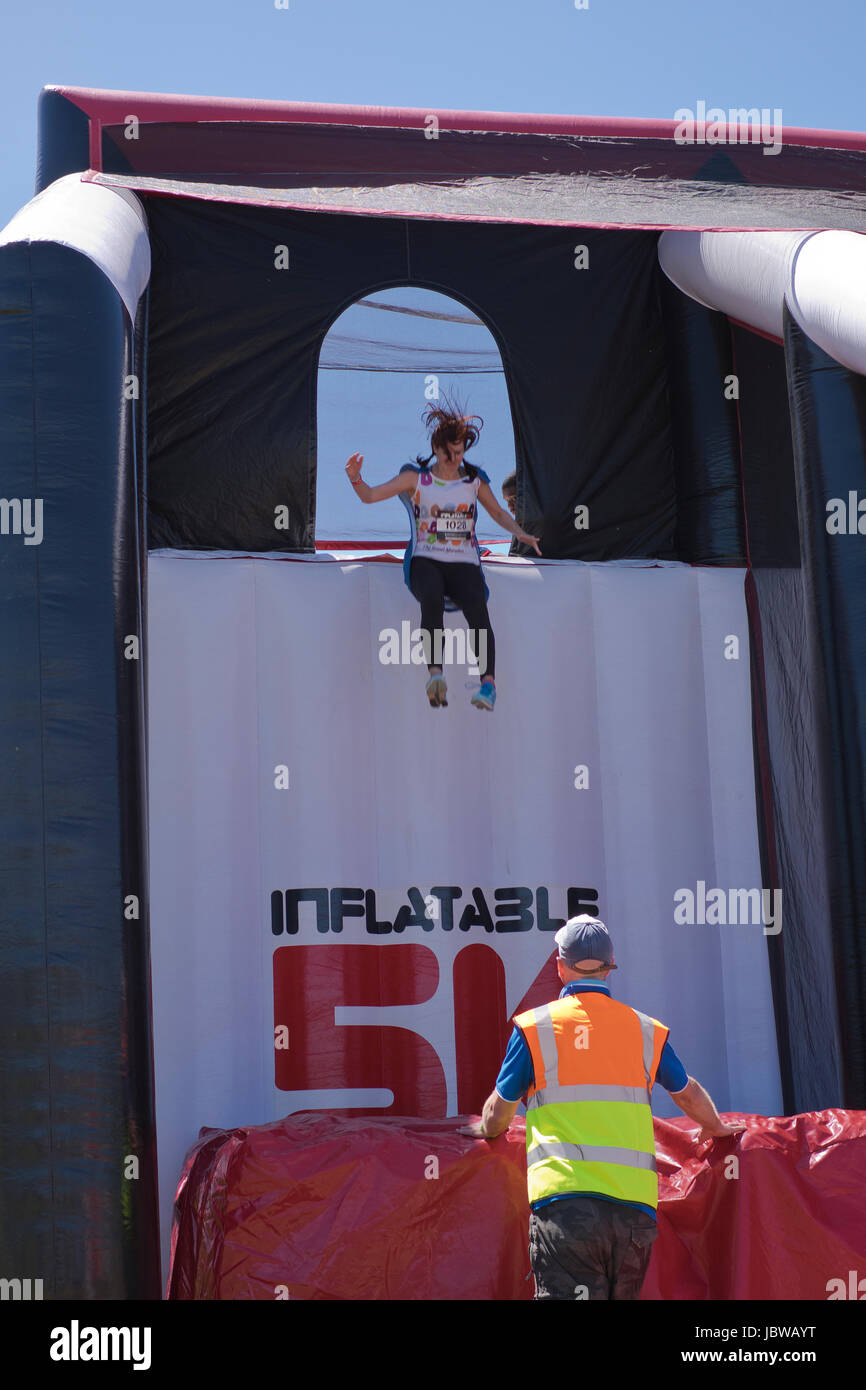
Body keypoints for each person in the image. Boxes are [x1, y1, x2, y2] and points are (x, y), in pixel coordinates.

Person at [459, 914, 744, 1300]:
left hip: (566, 1206)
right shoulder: (644, 1030)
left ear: (560, 967)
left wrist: (486, 1129)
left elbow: (499, 1114)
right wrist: (717, 1129)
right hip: (633, 1214)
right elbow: (688, 1094)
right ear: (610, 968)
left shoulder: (535, 1028)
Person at [345, 397, 540, 710]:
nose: (453, 459)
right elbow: (369, 496)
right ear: (436, 448)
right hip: (427, 560)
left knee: (478, 606)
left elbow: (498, 513)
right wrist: (355, 477)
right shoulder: (416, 478)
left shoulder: (473, 480)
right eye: (448, 453)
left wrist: (520, 533)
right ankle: (435, 675)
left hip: (462, 562)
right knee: (431, 597)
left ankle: (488, 683)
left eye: (459, 452)